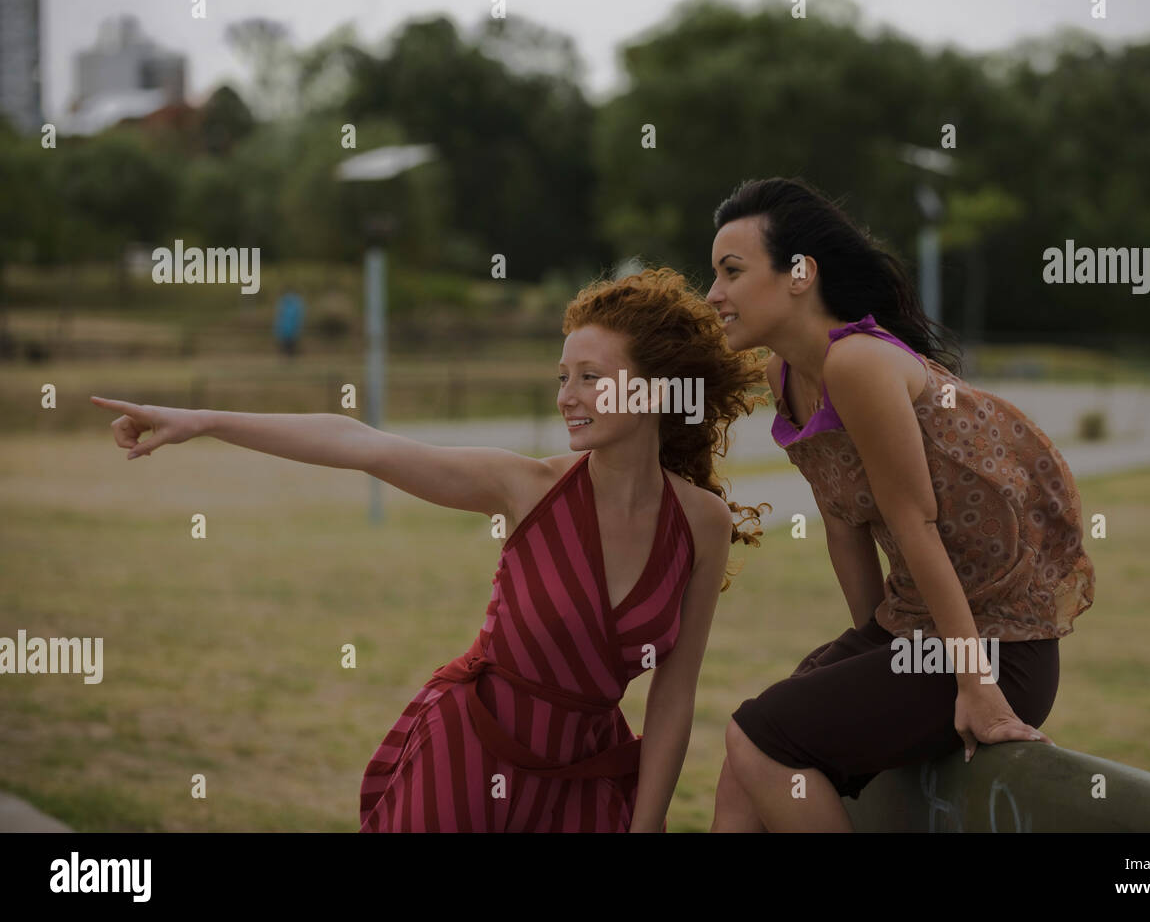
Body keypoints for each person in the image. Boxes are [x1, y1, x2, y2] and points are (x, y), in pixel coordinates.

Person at [91, 267, 767, 832]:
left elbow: (673, 699)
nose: (567, 397)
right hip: (467, 761)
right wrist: (203, 420)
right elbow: (361, 442)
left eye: (590, 376)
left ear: (653, 386)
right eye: (563, 376)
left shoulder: (702, 522)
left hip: (583, 786)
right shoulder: (525, 488)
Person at [704, 177, 1095, 832]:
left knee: (758, 738)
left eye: (732, 271)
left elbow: (915, 524)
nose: (714, 293)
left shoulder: (858, 362)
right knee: (744, 760)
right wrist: (872, 660)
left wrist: (976, 688)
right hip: (915, 634)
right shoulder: (788, 373)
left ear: (800, 275)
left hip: (998, 648)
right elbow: (843, 526)